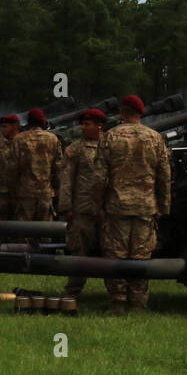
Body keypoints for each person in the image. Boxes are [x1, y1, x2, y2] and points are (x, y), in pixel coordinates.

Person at [98, 95, 171, 313]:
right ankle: (139, 303)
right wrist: (164, 206)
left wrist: (99, 206)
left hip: (117, 206)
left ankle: (118, 301)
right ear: (140, 113)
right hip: (145, 207)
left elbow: (100, 176)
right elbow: (164, 175)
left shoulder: (111, 137)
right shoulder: (155, 138)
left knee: (115, 254)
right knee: (141, 255)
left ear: (123, 112)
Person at [59, 108, 108, 299]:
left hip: (107, 209)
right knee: (79, 251)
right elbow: (66, 180)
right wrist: (66, 207)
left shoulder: (111, 147)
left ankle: (116, 294)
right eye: (82, 124)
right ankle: (73, 292)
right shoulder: (75, 150)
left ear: (99, 125)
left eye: (87, 124)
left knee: (111, 251)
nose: (83, 128)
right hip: (82, 209)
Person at [12, 108, 63, 221]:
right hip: (45, 194)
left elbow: (13, 169)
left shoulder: (19, 139)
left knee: (23, 232)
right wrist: (57, 191)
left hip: (24, 194)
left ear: (29, 122)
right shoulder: (53, 139)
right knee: (45, 231)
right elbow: (58, 169)